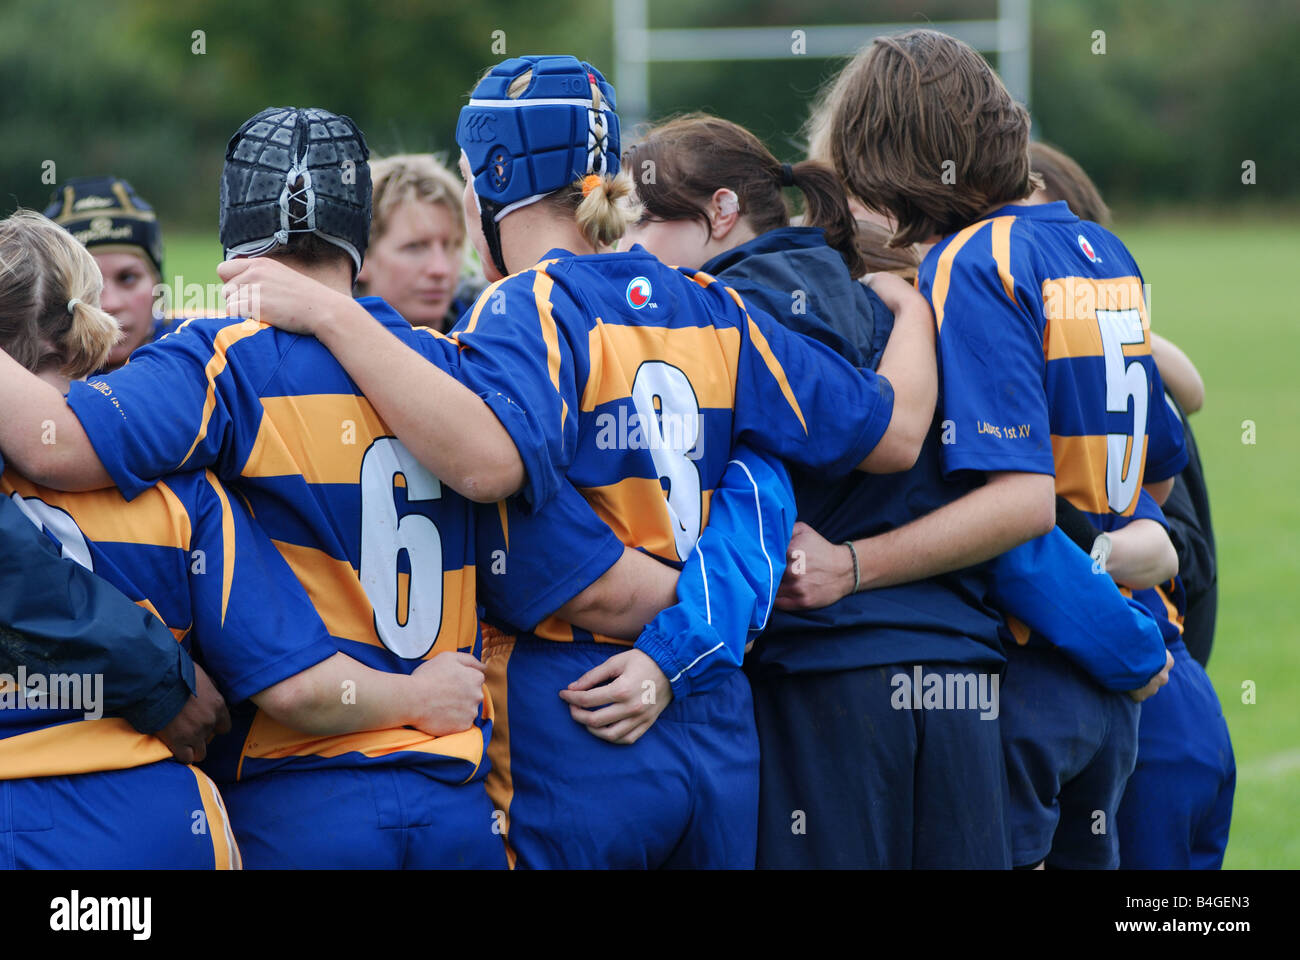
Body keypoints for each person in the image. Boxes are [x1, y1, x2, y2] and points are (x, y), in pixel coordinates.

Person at [227, 55, 936, 868]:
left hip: (578, 716)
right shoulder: (715, 304)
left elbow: (495, 474)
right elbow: (895, 434)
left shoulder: (527, 303)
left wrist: (329, 314)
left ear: (489, 177)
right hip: (715, 714)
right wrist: (913, 303)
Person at [818, 29, 1187, 869]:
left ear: (897, 160)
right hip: (1111, 683)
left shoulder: (974, 261)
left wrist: (852, 564)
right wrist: (1113, 591)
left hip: (1040, 668)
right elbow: (1156, 475)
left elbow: (1017, 508)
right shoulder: (1102, 250)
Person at [617, 112, 1016, 868]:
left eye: (642, 220)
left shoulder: (727, 314)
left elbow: (765, 494)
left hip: (832, 687)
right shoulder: (876, 291)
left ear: (722, 211)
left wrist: (672, 654)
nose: (626, 249)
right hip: (963, 677)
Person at [1026, 142, 1233, 867]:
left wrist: (1095, 553)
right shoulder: (1111, 370)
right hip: (1171, 699)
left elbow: (1184, 555)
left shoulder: (1094, 382)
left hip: (1153, 708)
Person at [43, 176, 169, 370]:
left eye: (127, 278)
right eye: (85, 284)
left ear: (157, 282)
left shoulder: (205, 358)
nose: (110, 304)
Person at [356, 154, 478, 331]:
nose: (440, 269)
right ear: (361, 257)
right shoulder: (316, 348)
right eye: (415, 247)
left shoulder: (493, 332)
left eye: (451, 246)